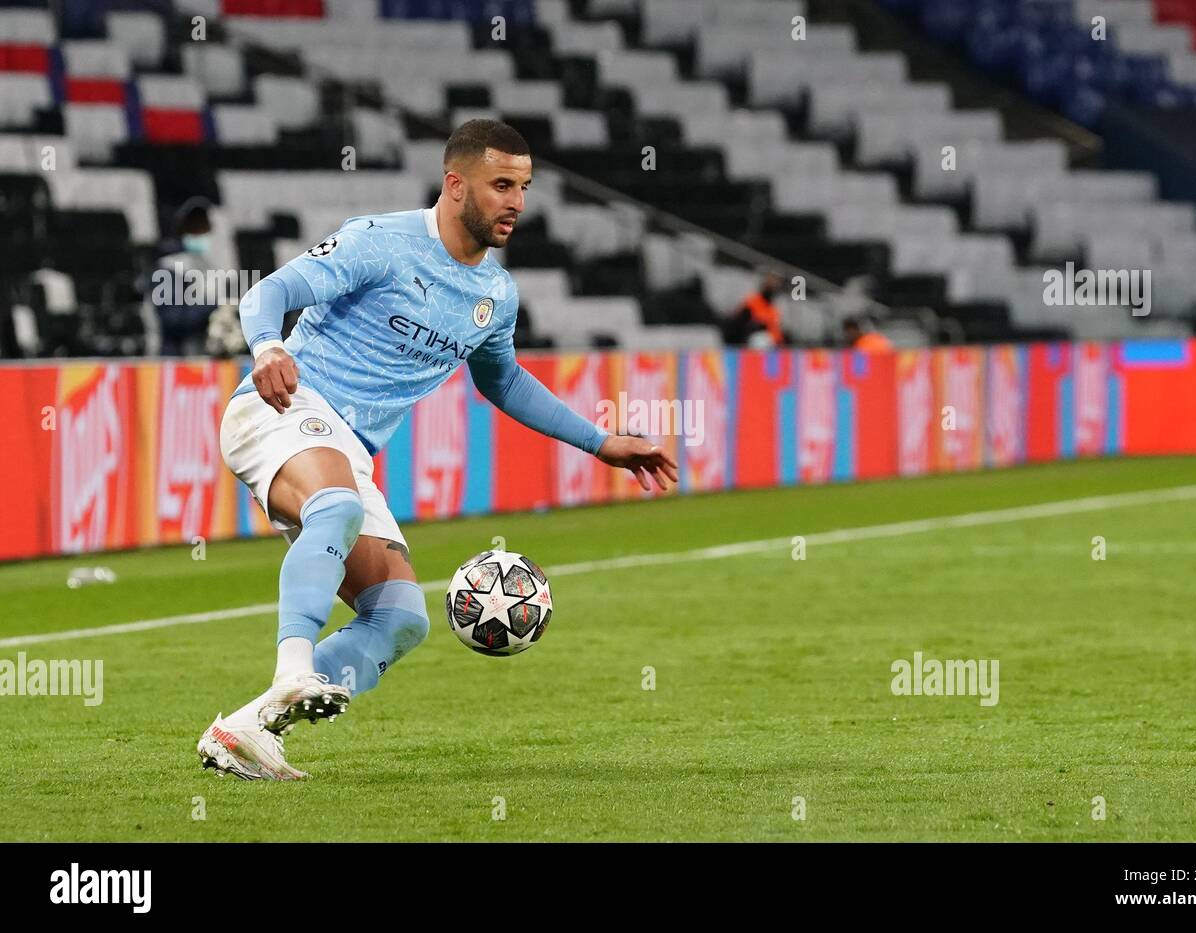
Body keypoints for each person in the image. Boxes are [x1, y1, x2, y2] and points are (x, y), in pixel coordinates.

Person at [198, 120, 678, 780]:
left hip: (347, 450)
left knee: (399, 618)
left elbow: (503, 380)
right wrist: (269, 347)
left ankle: (244, 727)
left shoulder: (494, 294)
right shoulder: (381, 242)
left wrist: (600, 442)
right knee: (334, 507)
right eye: (501, 185)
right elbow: (268, 293)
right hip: (282, 408)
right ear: (455, 184)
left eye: (525, 187)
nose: (517, 201)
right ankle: (292, 669)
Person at [150, 197, 222, 356]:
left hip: (205, 357)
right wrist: (214, 308)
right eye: (194, 228)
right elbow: (172, 318)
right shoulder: (168, 267)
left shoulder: (206, 264)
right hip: (178, 359)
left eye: (204, 227)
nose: (200, 233)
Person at [725, 271, 786, 347]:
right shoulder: (752, 301)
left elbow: (776, 331)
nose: (773, 286)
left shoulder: (775, 308)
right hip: (752, 340)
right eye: (770, 283)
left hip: (772, 344)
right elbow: (741, 323)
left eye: (776, 283)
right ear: (764, 284)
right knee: (760, 340)